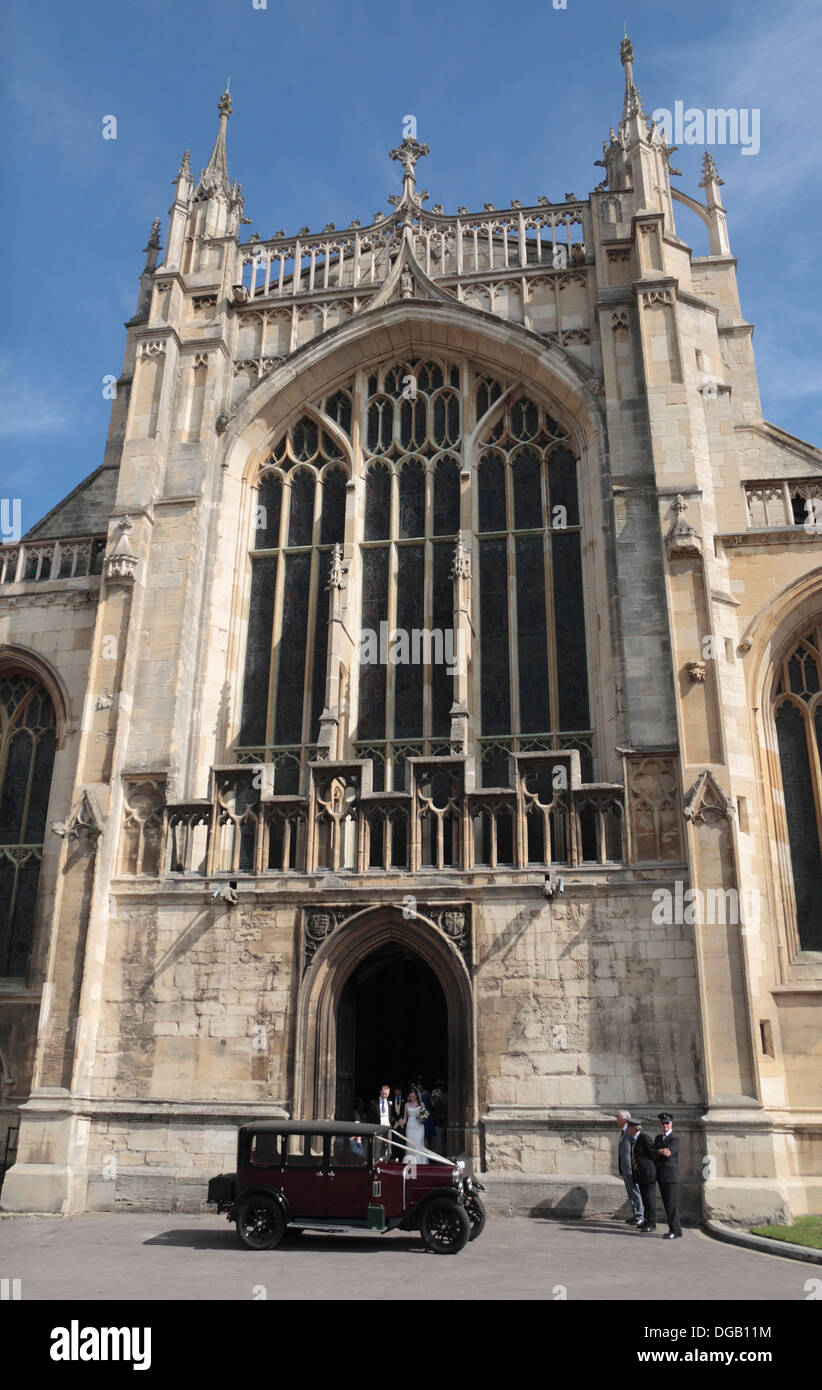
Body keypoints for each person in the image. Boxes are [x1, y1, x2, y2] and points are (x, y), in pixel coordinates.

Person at [653, 1112, 682, 1239]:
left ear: (671, 1124)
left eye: (667, 1123)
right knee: (667, 1204)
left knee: (671, 1205)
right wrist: (660, 1150)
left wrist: (660, 1151)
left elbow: (669, 1153)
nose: (665, 1125)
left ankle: (674, 1230)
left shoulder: (674, 1139)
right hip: (660, 1174)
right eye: (663, 1123)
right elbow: (652, 1152)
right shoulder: (659, 1138)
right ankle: (676, 1229)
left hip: (670, 1175)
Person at [626, 1119, 658, 1231]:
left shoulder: (644, 1138)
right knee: (645, 1199)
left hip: (648, 1175)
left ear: (634, 1128)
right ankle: (646, 1221)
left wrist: (649, 1169)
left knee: (649, 1200)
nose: (628, 1129)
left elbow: (653, 1153)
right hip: (641, 1175)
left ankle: (652, 1224)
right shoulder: (636, 1139)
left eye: (629, 1127)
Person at [616, 1109, 644, 1227]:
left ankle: (640, 1216)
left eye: (618, 1118)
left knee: (635, 1191)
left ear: (624, 1119)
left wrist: (632, 1167)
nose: (616, 1120)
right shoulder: (624, 1131)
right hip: (625, 1168)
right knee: (631, 1192)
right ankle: (635, 1215)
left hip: (631, 1168)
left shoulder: (630, 1131)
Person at [400, 1086, 429, 1163]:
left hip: (419, 1127)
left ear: (416, 1096)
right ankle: (411, 1163)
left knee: (418, 1144)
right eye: (410, 1096)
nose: (411, 1098)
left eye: (413, 1096)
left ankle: (419, 1163)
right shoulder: (406, 1105)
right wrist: (401, 1122)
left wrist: (422, 1119)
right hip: (410, 1127)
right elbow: (405, 1118)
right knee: (410, 1145)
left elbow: (424, 1118)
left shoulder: (421, 1104)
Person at [431, 1078, 448, 1156]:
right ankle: (439, 1153)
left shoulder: (446, 1095)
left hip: (444, 1118)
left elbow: (445, 1106)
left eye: (441, 1086)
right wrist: (434, 1098)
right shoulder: (436, 1094)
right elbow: (433, 1105)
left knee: (442, 1137)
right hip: (439, 1118)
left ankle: (442, 1153)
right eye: (439, 1086)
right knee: (438, 1137)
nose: (440, 1088)